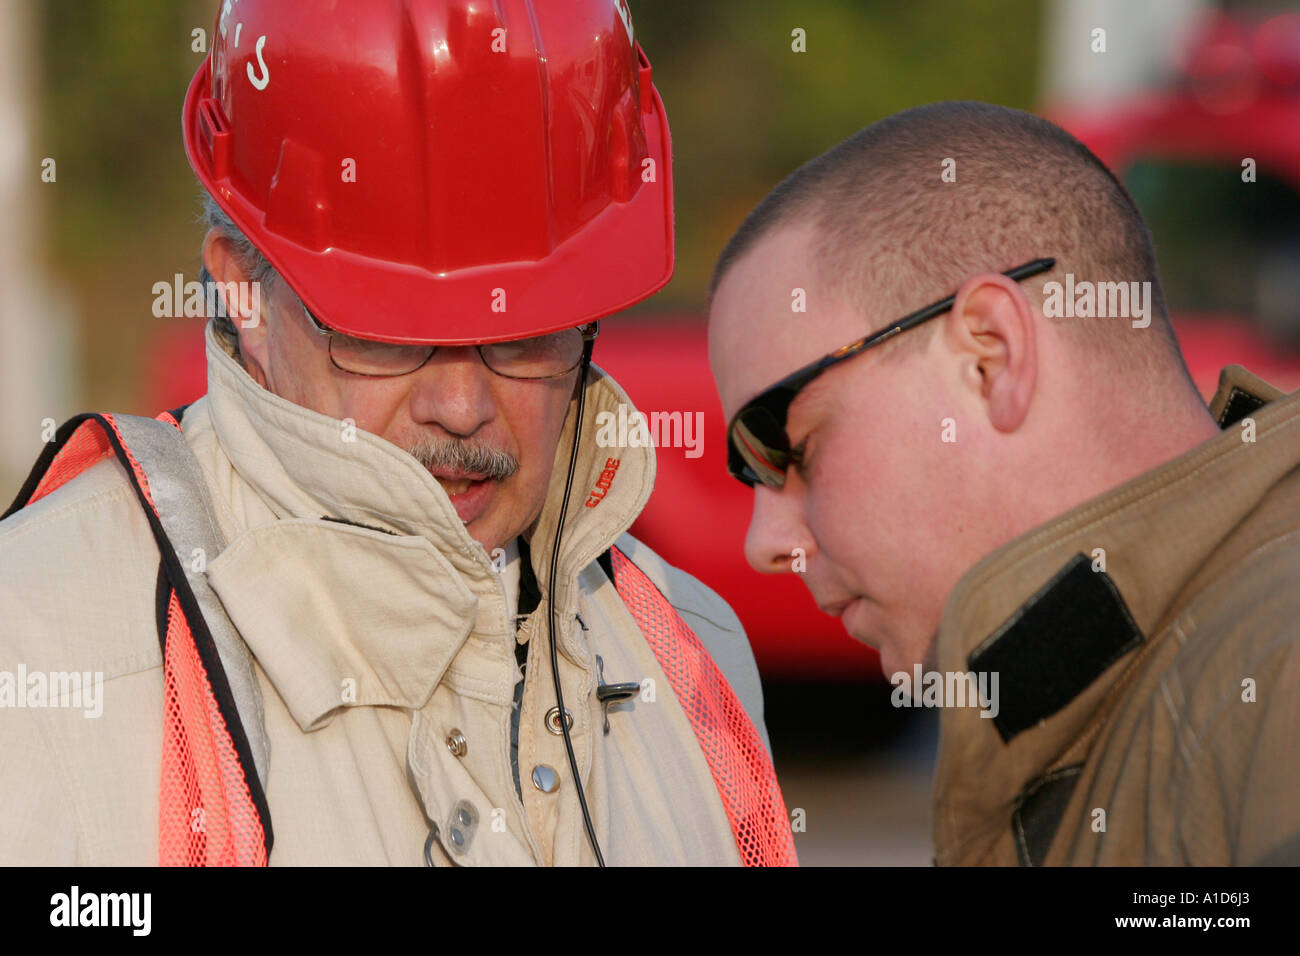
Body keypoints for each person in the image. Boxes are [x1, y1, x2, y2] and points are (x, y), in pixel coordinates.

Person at [0, 0, 796, 867]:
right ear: (244, 291)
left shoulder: (691, 653)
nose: (459, 405)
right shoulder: (36, 654)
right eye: (382, 330)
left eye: (525, 328)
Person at [707, 100, 1299, 866]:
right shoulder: (1113, 695)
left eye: (794, 445)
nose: (767, 543)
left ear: (991, 356)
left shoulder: (1274, 683)